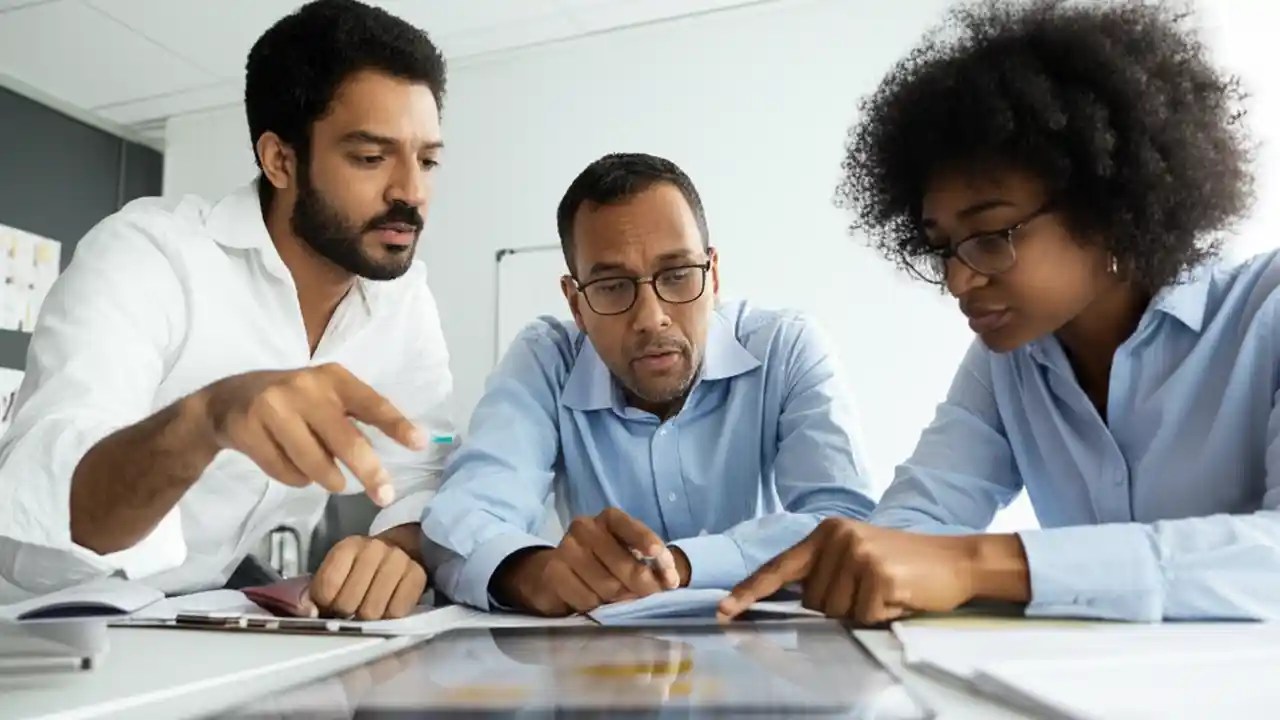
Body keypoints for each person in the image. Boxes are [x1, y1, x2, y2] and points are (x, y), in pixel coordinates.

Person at [720, 0, 1271, 625]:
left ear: (1108, 208)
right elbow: (911, 525)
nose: (958, 279)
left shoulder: (1267, 312)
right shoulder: (1007, 362)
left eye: (991, 236)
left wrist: (976, 565)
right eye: (942, 247)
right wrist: (877, 560)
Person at [0, 0, 454, 620]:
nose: (412, 191)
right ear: (280, 160)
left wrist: (397, 548)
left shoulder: (404, 304)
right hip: (42, 632)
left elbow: (424, 471)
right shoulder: (148, 255)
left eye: (427, 159)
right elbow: (44, 521)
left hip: (200, 624)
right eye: (371, 158)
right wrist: (207, 418)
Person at [421, 152, 876, 616]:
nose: (650, 317)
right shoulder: (546, 360)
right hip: (607, 671)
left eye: (677, 276)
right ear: (576, 305)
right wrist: (536, 574)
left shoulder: (786, 347)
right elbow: (459, 520)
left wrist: (678, 565)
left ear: (713, 276)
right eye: (613, 286)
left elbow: (848, 525)